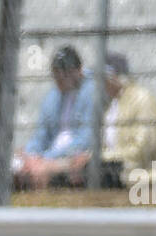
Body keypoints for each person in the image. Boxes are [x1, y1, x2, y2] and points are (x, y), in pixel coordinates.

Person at [15, 45, 97, 189]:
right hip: (49, 154)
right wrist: (31, 154)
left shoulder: (91, 91)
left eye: (65, 74)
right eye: (57, 75)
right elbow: (41, 134)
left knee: (41, 170)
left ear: (78, 70)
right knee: (16, 164)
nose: (60, 79)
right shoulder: (53, 96)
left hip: (74, 154)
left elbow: (85, 139)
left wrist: (47, 158)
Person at [101, 52, 156, 183]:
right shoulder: (113, 104)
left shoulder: (141, 99)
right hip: (121, 171)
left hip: (153, 171)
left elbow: (142, 150)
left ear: (115, 77)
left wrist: (102, 158)